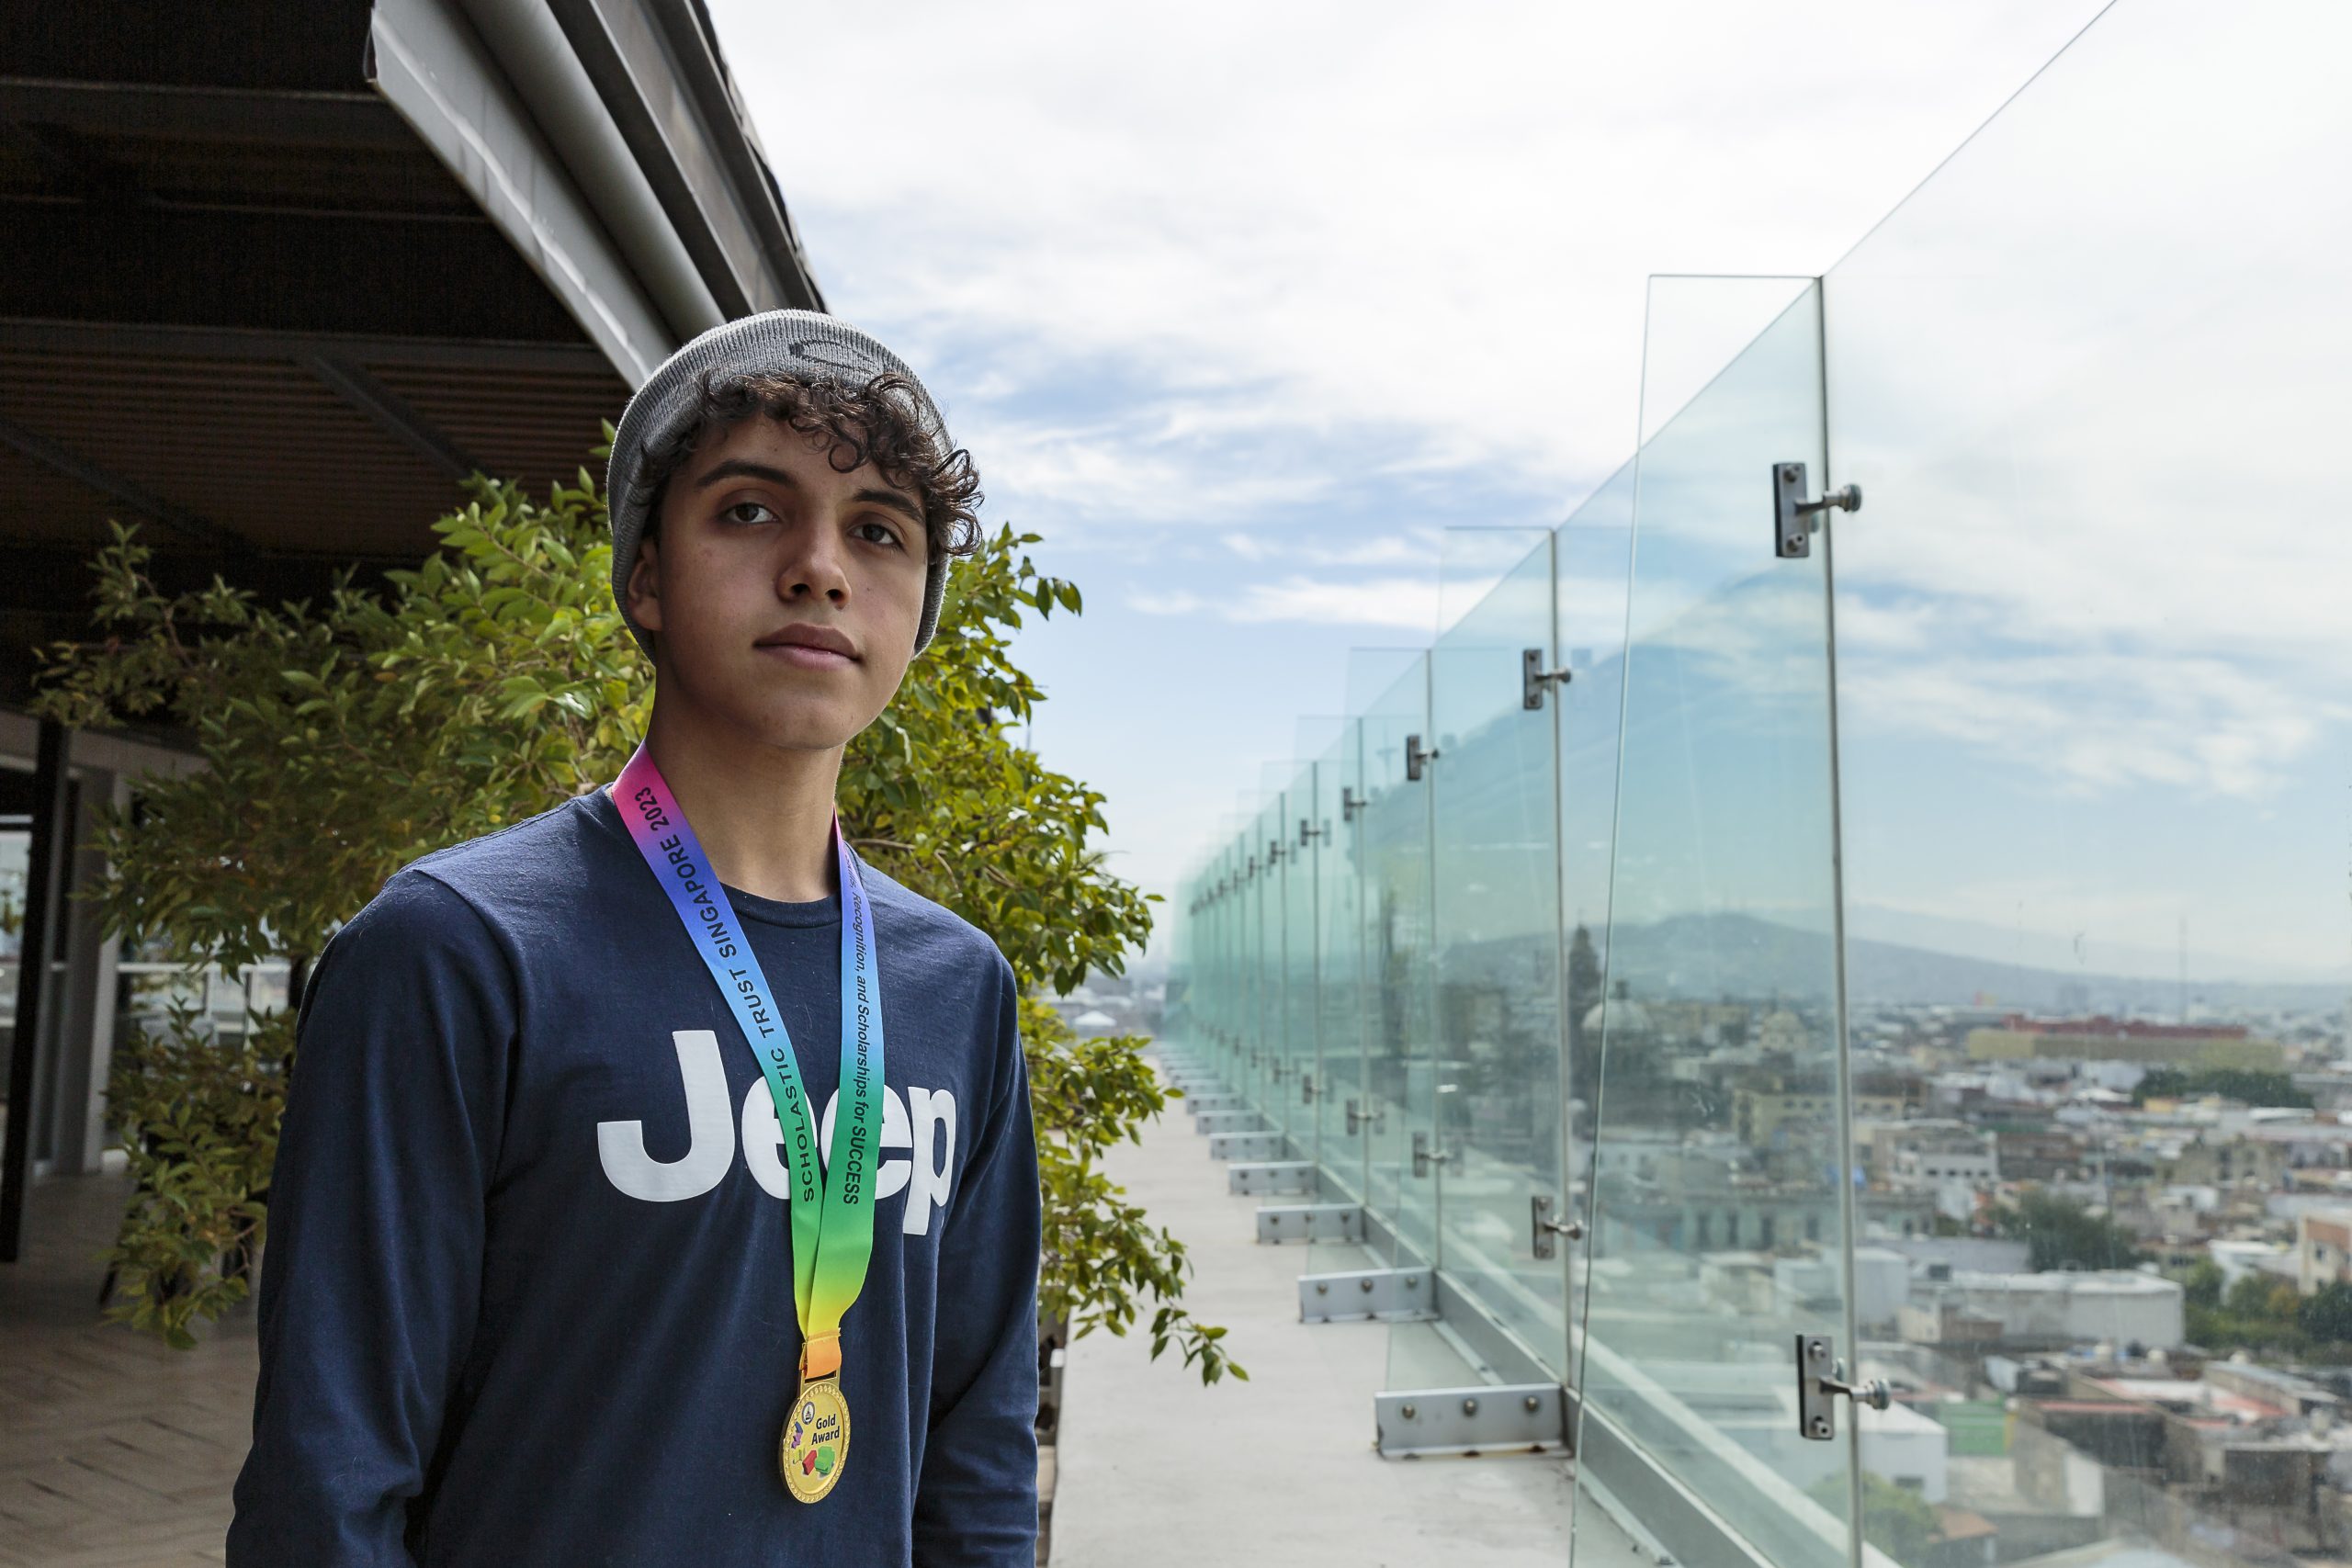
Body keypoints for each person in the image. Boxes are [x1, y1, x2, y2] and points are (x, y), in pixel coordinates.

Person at [229, 311, 1042, 1566]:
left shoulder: (956, 991)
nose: (821, 568)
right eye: (751, 511)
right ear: (647, 574)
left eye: (879, 530)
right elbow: (328, 1478)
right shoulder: (456, 954)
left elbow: (978, 1455)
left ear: (918, 607)